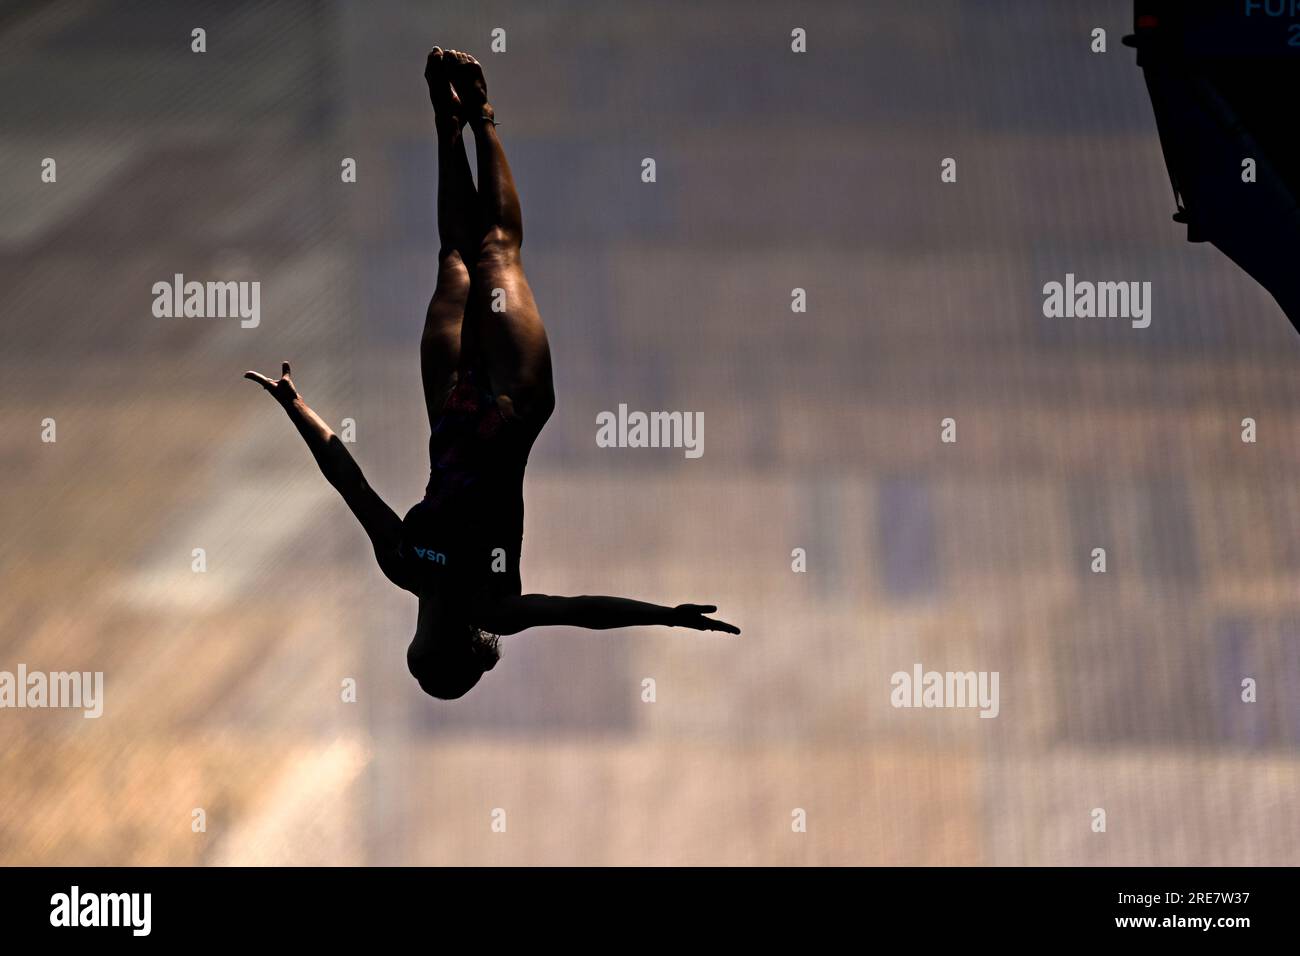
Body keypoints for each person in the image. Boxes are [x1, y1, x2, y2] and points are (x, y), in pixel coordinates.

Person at [244, 49, 738, 700]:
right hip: (501, 404)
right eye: (424, 658)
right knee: (488, 252)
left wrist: (296, 407)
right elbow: (583, 611)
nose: (420, 647)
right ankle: (475, 114)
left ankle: (456, 121)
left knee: (463, 256)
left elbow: (349, 482)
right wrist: (665, 615)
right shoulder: (480, 599)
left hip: (461, 406)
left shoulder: (410, 566)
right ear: (431, 651)